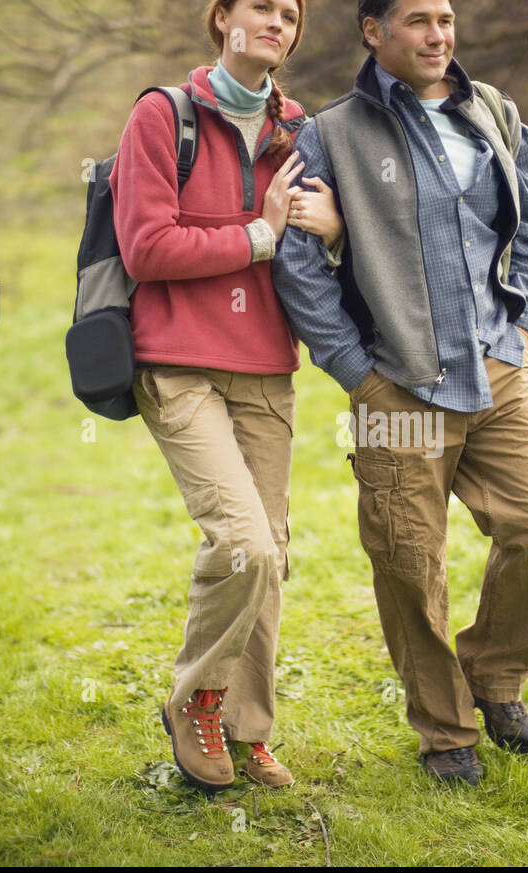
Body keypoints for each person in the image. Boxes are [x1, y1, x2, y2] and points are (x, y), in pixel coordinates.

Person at [273, 0, 528, 786]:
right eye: (417, 20)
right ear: (373, 31)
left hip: (499, 368)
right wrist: (356, 374)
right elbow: (298, 266)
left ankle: (493, 676)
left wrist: (527, 331)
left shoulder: (497, 114)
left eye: (445, 18)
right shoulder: (331, 135)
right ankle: (446, 734)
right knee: (410, 560)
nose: (438, 35)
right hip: (398, 383)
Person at [109, 0, 343, 793]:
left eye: (291, 12)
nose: (277, 21)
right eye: (261, 6)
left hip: (267, 366)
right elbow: (146, 246)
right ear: (221, 18)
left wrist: (335, 228)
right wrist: (259, 234)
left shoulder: (302, 130)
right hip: (176, 361)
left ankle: (246, 731)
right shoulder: (162, 117)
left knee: (268, 556)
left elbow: (326, 243)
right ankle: (195, 700)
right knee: (241, 540)